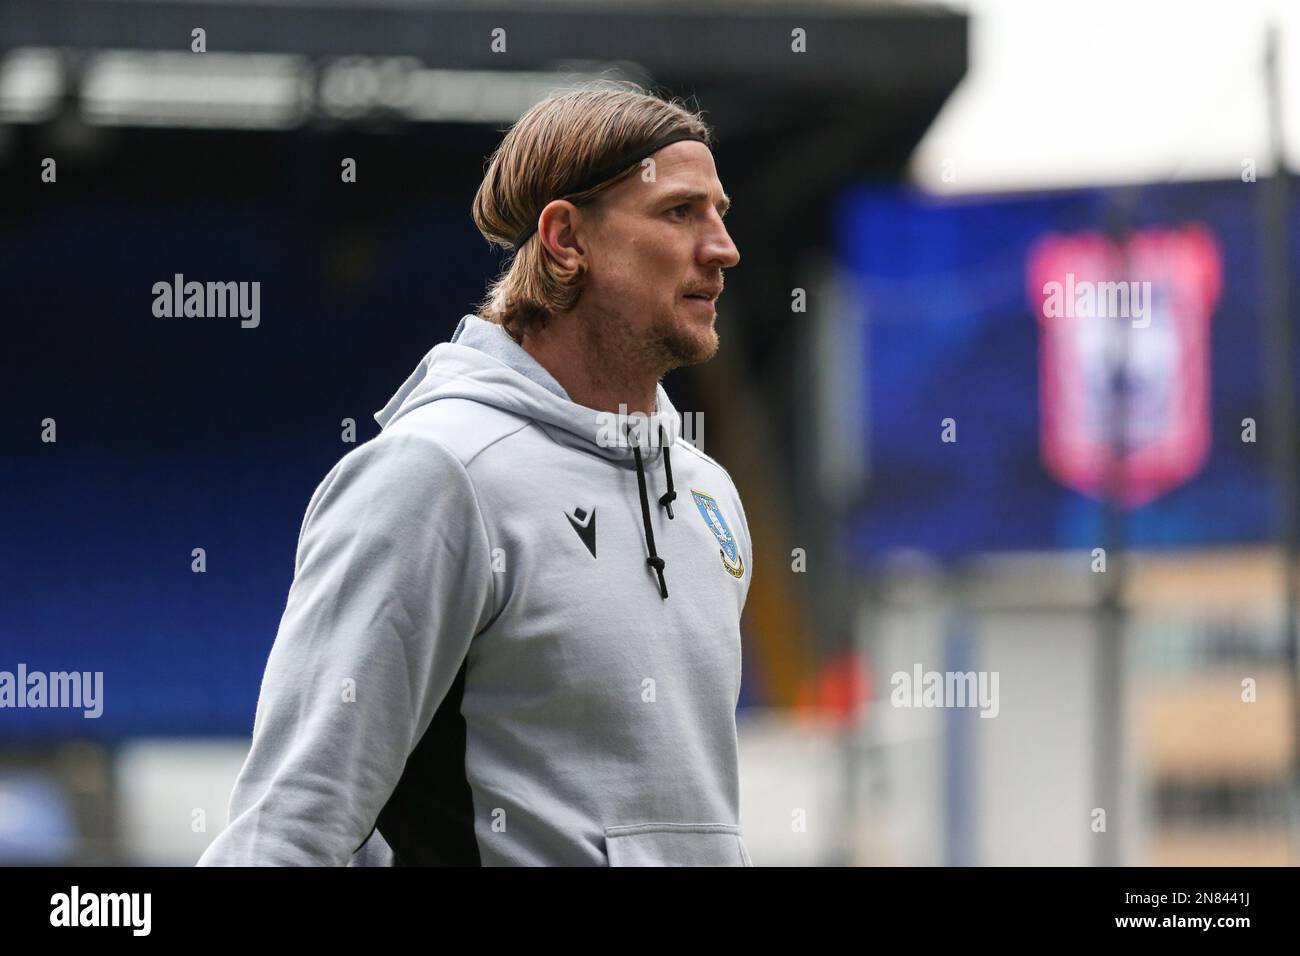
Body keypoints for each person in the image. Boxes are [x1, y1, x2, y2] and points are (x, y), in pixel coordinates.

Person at [197, 81, 752, 866]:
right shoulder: (435, 474)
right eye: (679, 212)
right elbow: (291, 825)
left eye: (720, 213)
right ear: (566, 238)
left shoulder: (710, 497)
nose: (722, 247)